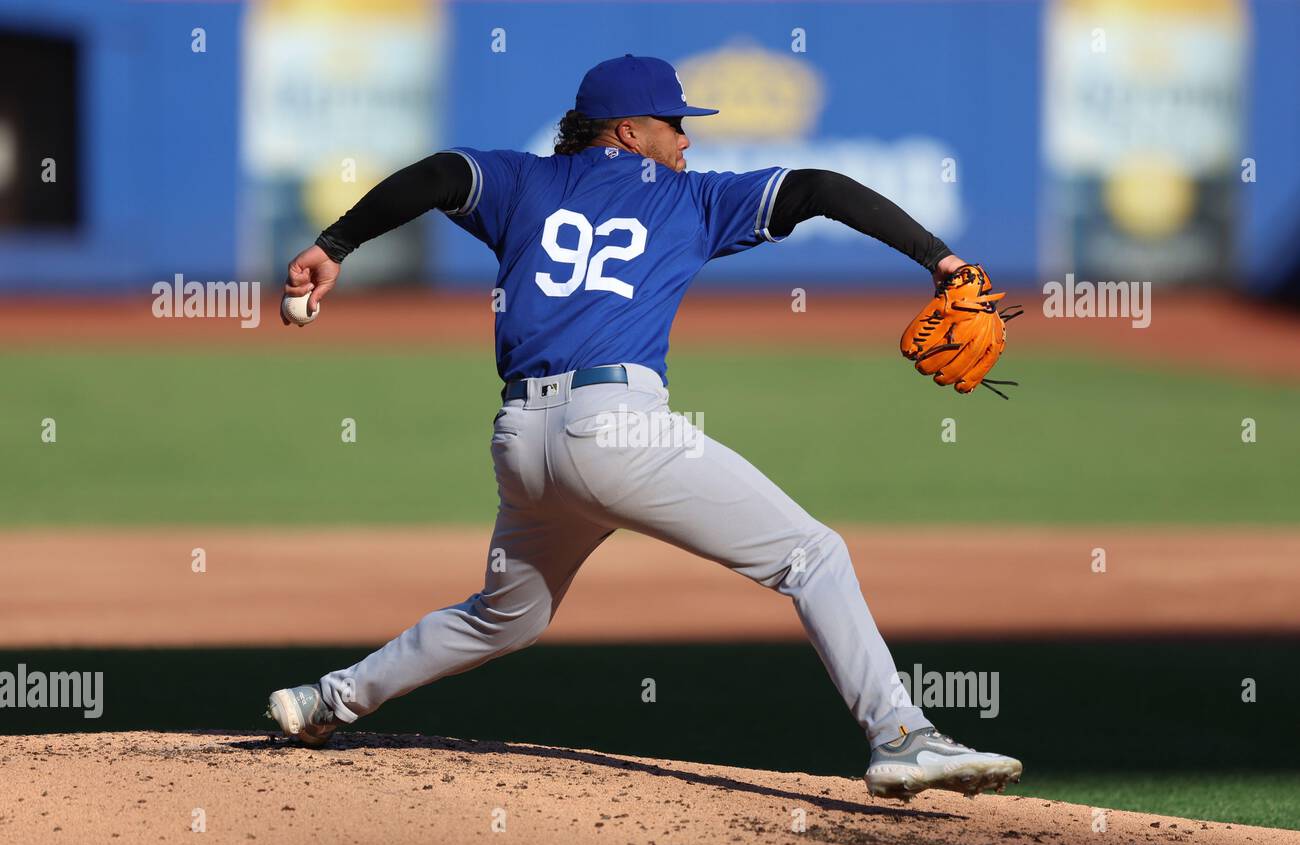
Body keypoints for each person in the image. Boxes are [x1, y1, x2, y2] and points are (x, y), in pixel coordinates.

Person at [267, 54, 1022, 801]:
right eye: (675, 124)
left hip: (524, 442)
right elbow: (819, 188)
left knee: (505, 618)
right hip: (617, 431)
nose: (686, 139)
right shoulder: (692, 201)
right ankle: (901, 736)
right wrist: (942, 260)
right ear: (627, 131)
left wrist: (332, 246)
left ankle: (324, 701)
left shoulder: (522, 182)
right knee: (813, 556)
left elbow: (436, 175)